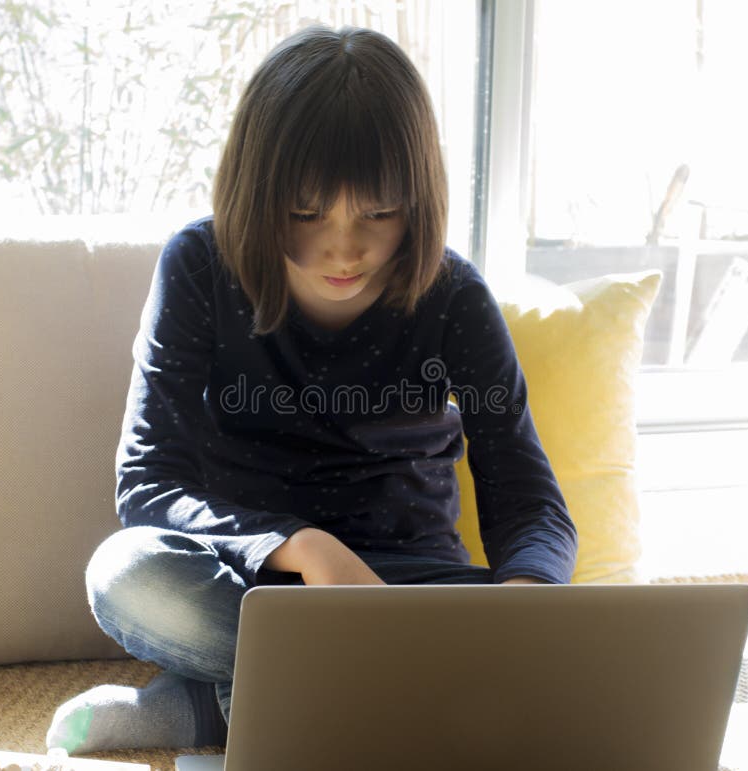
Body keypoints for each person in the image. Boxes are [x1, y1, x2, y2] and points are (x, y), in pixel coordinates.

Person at [46, 24, 577, 754]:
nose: (344, 247)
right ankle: (397, 696)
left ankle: (210, 711)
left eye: (378, 213)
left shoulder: (453, 294)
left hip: (410, 594)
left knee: (565, 635)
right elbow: (148, 483)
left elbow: (531, 500)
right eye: (306, 213)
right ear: (257, 194)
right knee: (127, 571)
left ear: (417, 202)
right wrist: (302, 546)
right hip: (253, 581)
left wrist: (524, 605)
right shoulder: (200, 267)